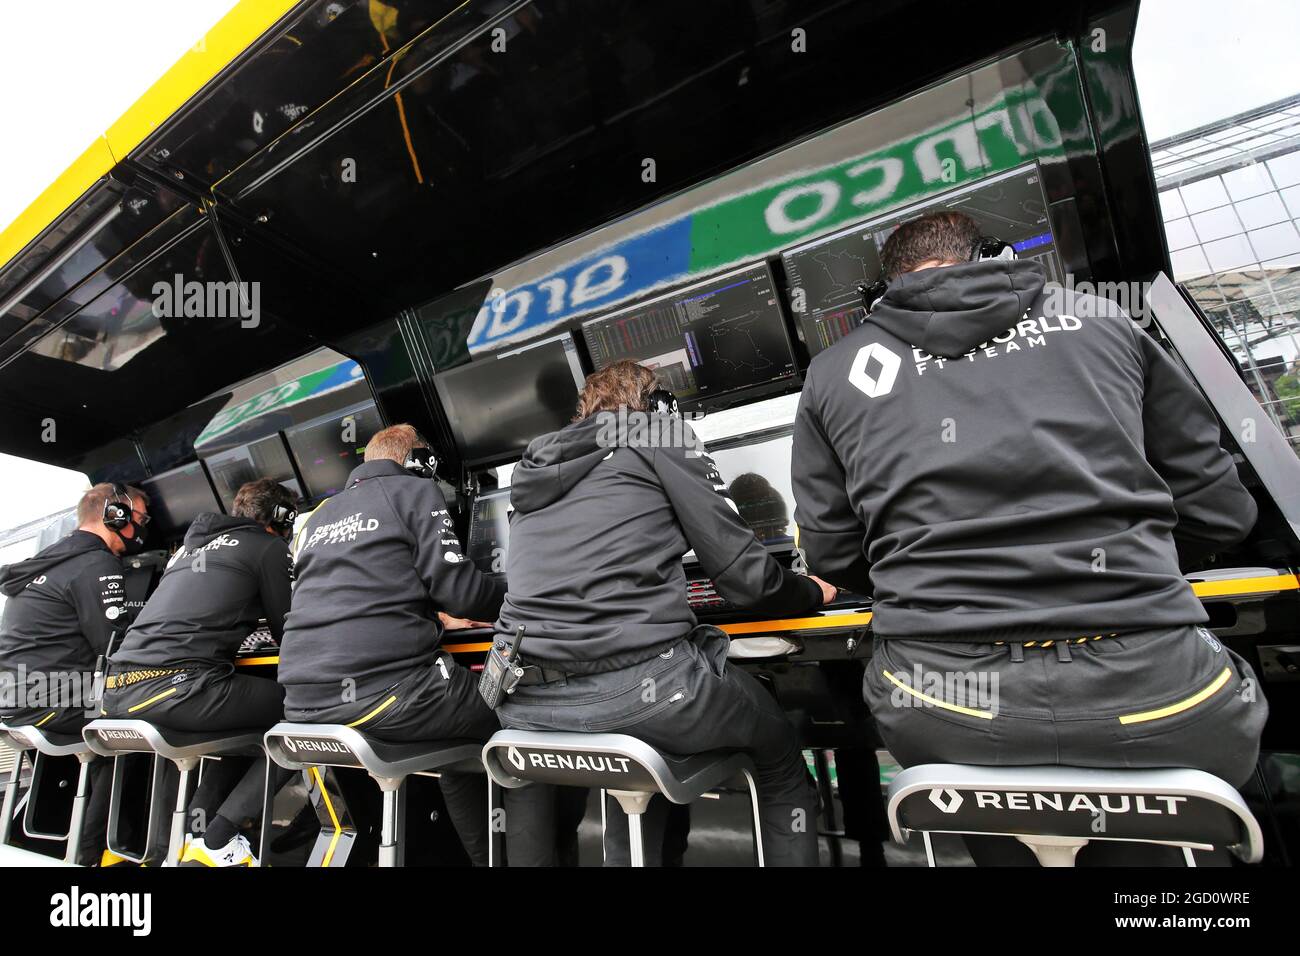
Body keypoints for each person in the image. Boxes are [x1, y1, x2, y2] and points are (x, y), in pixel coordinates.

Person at [791, 210, 1268, 865]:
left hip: (941, 701)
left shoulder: (832, 372)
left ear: (887, 288)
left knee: (983, 783)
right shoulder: (1101, 318)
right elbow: (1220, 510)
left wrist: (923, 577)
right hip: (1157, 691)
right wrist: (1133, 559)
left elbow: (832, 550)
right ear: (995, 255)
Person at [493, 361, 837, 867]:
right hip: (638, 696)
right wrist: (809, 590)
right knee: (779, 746)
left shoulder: (533, 469)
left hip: (523, 706)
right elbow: (747, 580)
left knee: (637, 754)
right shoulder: (662, 434)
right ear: (659, 407)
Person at [277, 424, 510, 866]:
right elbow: (463, 593)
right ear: (420, 463)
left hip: (302, 708)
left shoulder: (319, 516)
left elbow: (358, 591)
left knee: (457, 739)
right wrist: (523, 598)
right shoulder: (414, 491)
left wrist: (431, 614)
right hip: (388, 698)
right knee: (525, 714)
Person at [101, 478, 298, 866]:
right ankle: (220, 837)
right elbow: (289, 629)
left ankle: (198, 835)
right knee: (309, 710)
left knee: (248, 723)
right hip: (178, 688)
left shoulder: (186, 551)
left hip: (118, 690)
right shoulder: (267, 546)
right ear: (282, 518)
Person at [0, 482, 150, 865]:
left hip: (16, 702)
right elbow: (114, 647)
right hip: (52, 702)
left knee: (115, 708)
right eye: (140, 518)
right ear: (115, 515)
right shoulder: (97, 563)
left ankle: (97, 843)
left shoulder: (50, 559)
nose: (142, 528)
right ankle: (98, 853)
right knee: (140, 719)